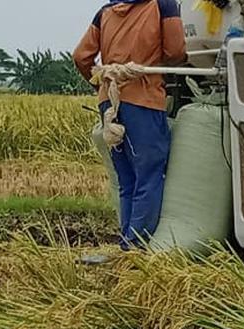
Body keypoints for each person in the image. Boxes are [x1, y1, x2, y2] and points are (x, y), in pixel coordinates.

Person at [74, 0, 187, 250]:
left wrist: (102, 83)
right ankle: (135, 246)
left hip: (109, 103)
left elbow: (81, 56)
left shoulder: (105, 12)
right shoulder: (162, 5)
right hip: (143, 100)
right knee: (148, 176)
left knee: (127, 178)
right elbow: (176, 51)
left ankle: (126, 241)